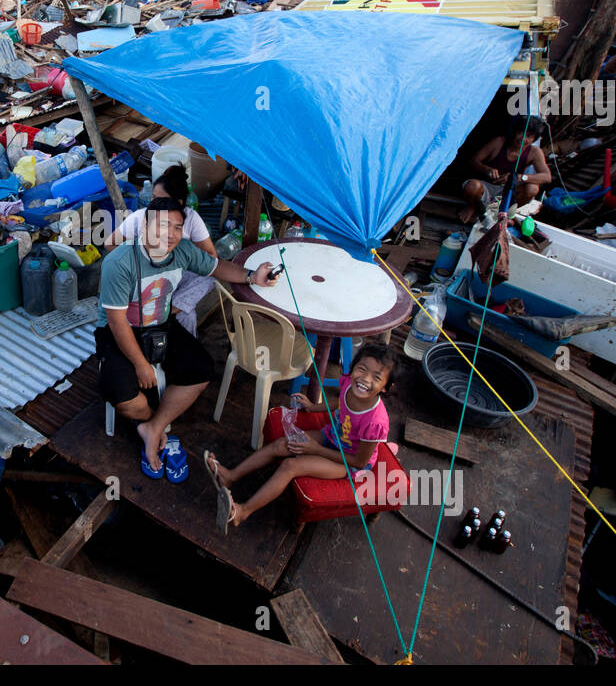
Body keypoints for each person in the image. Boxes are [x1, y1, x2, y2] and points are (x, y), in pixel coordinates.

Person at [98, 196, 279, 478]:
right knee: (126, 400)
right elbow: (116, 321)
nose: (170, 234)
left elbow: (217, 267)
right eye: (163, 225)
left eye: (177, 227)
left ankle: (153, 428)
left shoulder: (182, 251)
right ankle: (150, 421)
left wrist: (253, 275)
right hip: (120, 332)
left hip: (161, 326)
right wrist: (141, 365)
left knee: (202, 370)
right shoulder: (119, 262)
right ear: (144, 226)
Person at [205, 344, 397, 530]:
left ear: (385, 387)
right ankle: (230, 476)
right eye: (362, 369)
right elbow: (340, 402)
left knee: (291, 467)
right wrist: (314, 407)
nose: (365, 378)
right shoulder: (349, 384)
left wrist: (316, 450)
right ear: (353, 368)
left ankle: (242, 512)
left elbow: (359, 461)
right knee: (281, 444)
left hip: (347, 463)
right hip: (331, 436)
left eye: (376, 377)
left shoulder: (376, 422)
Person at [105, 164, 216, 257]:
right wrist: (135, 262)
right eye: (153, 197)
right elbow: (110, 244)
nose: (153, 203)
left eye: (177, 228)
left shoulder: (191, 219)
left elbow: (211, 255)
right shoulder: (139, 217)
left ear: (179, 204)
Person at [460, 117, 552, 223]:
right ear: (514, 132)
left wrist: (519, 177)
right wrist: (488, 170)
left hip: (509, 192)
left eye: (529, 136)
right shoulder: (499, 142)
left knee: (532, 189)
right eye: (520, 133)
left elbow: (547, 177)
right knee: (472, 187)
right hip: (488, 187)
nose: (523, 139)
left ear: (534, 139)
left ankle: (505, 213)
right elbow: (473, 161)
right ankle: (473, 206)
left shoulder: (534, 152)